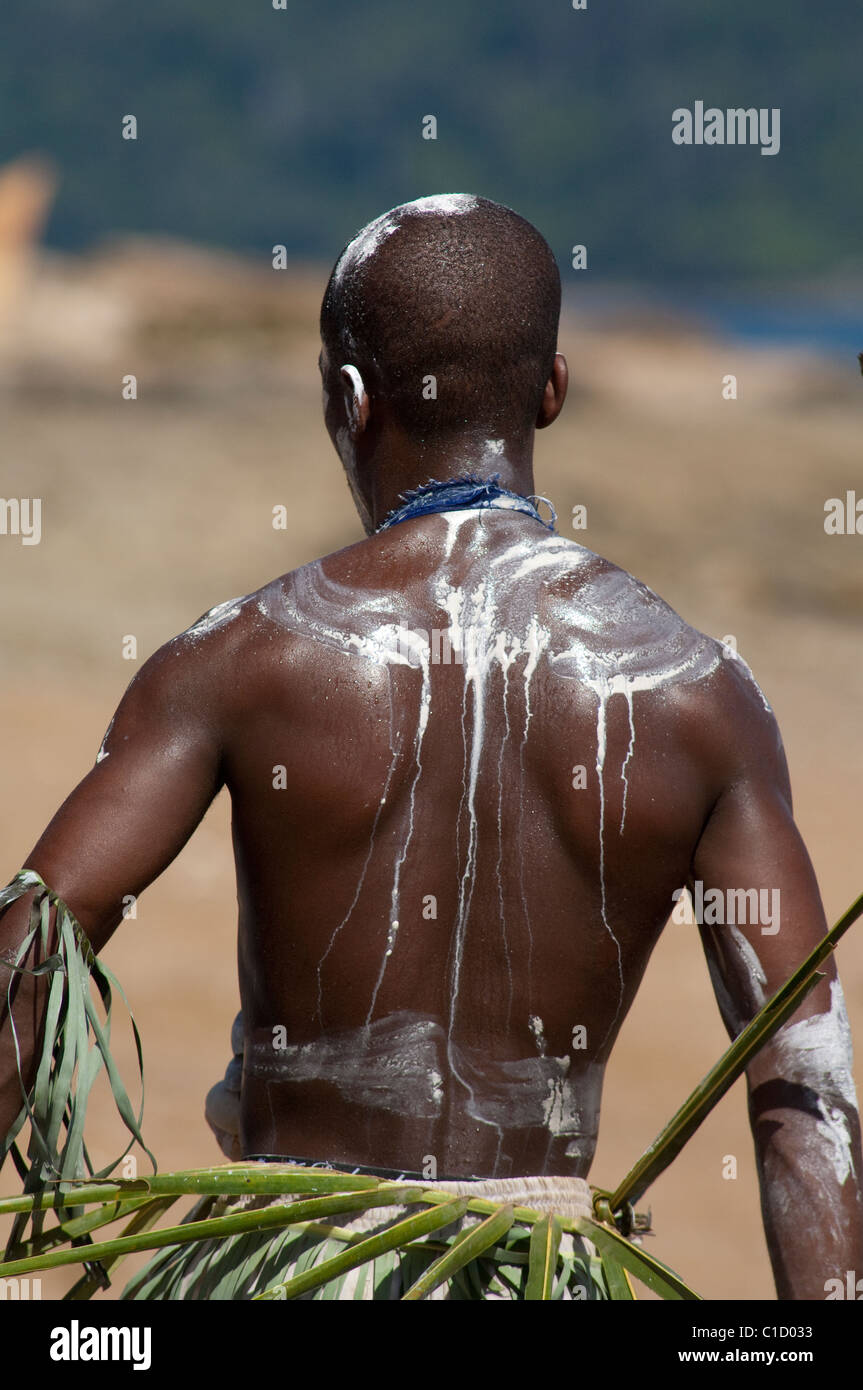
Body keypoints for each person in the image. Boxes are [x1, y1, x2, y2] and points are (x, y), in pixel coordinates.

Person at [1, 194, 860, 1301]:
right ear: (551, 391)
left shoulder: (238, 661)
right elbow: (802, 1088)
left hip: (286, 1266)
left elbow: (33, 949)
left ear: (345, 401)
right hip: (532, 1273)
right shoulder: (699, 699)